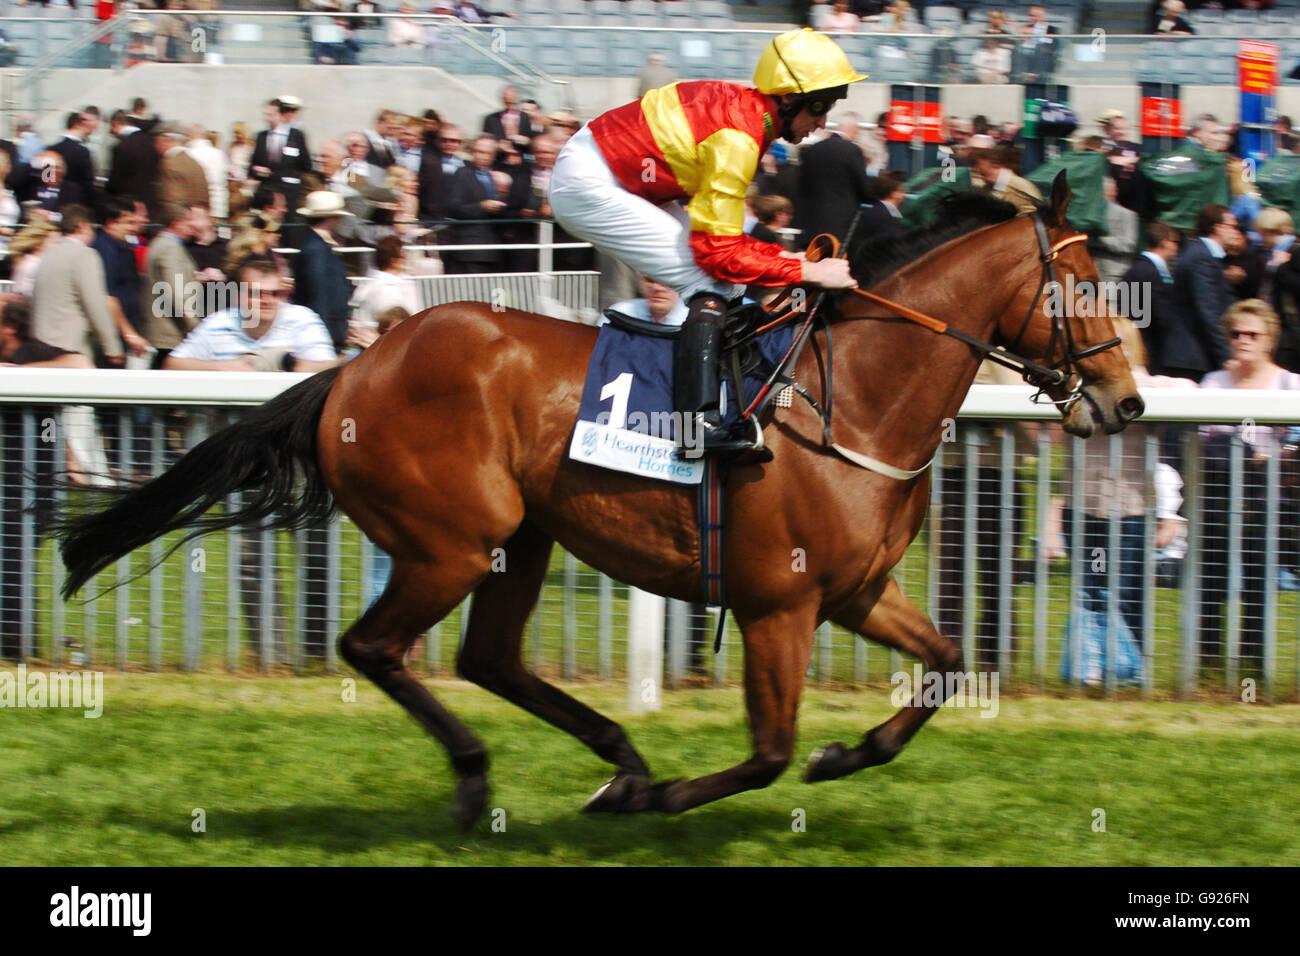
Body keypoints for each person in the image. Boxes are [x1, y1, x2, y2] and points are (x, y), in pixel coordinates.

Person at [548, 28, 861, 458]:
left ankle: (715, 401)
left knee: (726, 284)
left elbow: (727, 240)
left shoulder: (748, 117)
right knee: (710, 280)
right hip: (591, 181)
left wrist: (782, 257)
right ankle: (696, 426)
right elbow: (718, 256)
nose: (822, 121)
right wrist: (806, 270)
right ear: (789, 98)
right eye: (820, 106)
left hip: (614, 173)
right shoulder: (738, 137)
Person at [1197, 299, 1298, 671]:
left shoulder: (1290, 384)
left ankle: (1253, 663)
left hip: (1265, 492)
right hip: (1219, 486)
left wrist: (1279, 453)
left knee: (1258, 576)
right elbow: (1202, 436)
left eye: (1252, 334)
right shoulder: (1214, 382)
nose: (1243, 340)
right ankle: (1208, 661)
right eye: (1236, 333)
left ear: (1269, 338)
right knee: (1212, 576)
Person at [30, 205, 124, 367]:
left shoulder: (49, 255)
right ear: (83, 226)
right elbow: (95, 304)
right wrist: (112, 348)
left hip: (40, 345)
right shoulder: (85, 255)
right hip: (70, 348)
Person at [1162, 204, 1237, 382]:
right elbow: (1209, 312)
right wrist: (1227, 356)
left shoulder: (1200, 254)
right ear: (1218, 227)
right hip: (1192, 359)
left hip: (1193, 357)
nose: (1236, 232)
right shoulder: (1201, 259)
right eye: (1233, 226)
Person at [793, 110, 875, 250]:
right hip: (841, 228)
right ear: (854, 130)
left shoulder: (812, 150)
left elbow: (801, 187)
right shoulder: (852, 150)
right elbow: (865, 190)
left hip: (811, 225)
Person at [291, 190, 354, 349]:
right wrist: (322, 335)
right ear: (331, 218)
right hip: (326, 333)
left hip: (329, 330)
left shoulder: (317, 245)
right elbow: (318, 292)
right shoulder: (316, 249)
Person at [143, 202, 201, 367]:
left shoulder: (158, 243)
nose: (193, 226)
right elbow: (176, 292)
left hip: (163, 333)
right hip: (170, 334)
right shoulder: (170, 248)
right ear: (176, 222)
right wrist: (195, 327)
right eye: (189, 221)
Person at [1121, 221, 1179, 373]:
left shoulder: (1136, 269)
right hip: (1148, 349)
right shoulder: (1150, 272)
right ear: (1165, 242)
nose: (1176, 246)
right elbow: (1160, 314)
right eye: (1175, 241)